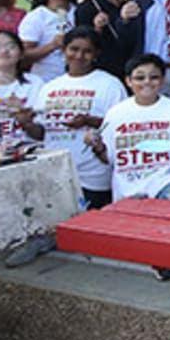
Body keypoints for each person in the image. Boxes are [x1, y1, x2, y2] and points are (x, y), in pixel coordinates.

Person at [89, 53, 170, 281]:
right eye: (140, 77)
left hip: (162, 178)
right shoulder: (116, 113)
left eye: (154, 77)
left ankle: (163, 260)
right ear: (128, 81)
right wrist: (96, 147)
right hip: (127, 185)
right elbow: (108, 159)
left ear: (162, 80)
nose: (147, 83)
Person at [24, 27, 126, 209]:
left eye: (87, 51)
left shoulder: (110, 84)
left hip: (94, 172)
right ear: (63, 50)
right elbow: (41, 133)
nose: (79, 56)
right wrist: (26, 123)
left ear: (96, 54)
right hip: (55, 169)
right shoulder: (49, 87)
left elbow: (120, 127)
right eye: (74, 49)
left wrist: (89, 121)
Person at [74, 0, 142, 80]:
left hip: (131, 68)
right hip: (103, 70)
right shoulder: (87, 7)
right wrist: (97, 28)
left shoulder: (129, 4)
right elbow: (83, 43)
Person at [19, 0, 78, 83]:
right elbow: (23, 57)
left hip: (77, 80)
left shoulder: (79, 11)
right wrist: (52, 45)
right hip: (45, 81)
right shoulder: (36, 17)